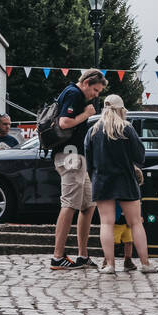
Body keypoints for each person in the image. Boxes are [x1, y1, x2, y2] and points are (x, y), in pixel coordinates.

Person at [84, 95, 154, 275]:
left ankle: (110, 265)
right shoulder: (127, 128)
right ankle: (145, 264)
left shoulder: (93, 131)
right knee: (136, 223)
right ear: (121, 109)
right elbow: (140, 156)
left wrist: (95, 176)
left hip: (102, 180)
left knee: (106, 223)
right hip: (125, 180)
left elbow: (89, 161)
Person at [49, 68, 107, 272]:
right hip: (70, 155)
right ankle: (57, 257)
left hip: (78, 157)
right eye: (95, 90)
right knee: (69, 205)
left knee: (88, 205)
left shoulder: (74, 93)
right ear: (87, 83)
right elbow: (64, 123)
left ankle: (83, 255)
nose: (95, 95)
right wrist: (87, 114)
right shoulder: (74, 93)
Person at [113, 202, 136, 271]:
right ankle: (107, 260)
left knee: (129, 242)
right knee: (112, 243)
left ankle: (128, 261)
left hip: (127, 223)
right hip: (116, 224)